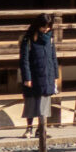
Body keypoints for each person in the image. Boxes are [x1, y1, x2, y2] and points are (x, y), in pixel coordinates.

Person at [17, 12, 59, 143]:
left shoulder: (50, 39)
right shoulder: (28, 39)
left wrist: (55, 76)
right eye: (43, 27)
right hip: (33, 74)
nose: (46, 29)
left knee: (44, 103)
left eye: (48, 27)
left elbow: (53, 58)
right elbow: (24, 61)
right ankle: (29, 128)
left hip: (47, 73)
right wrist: (27, 78)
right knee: (31, 102)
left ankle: (41, 129)